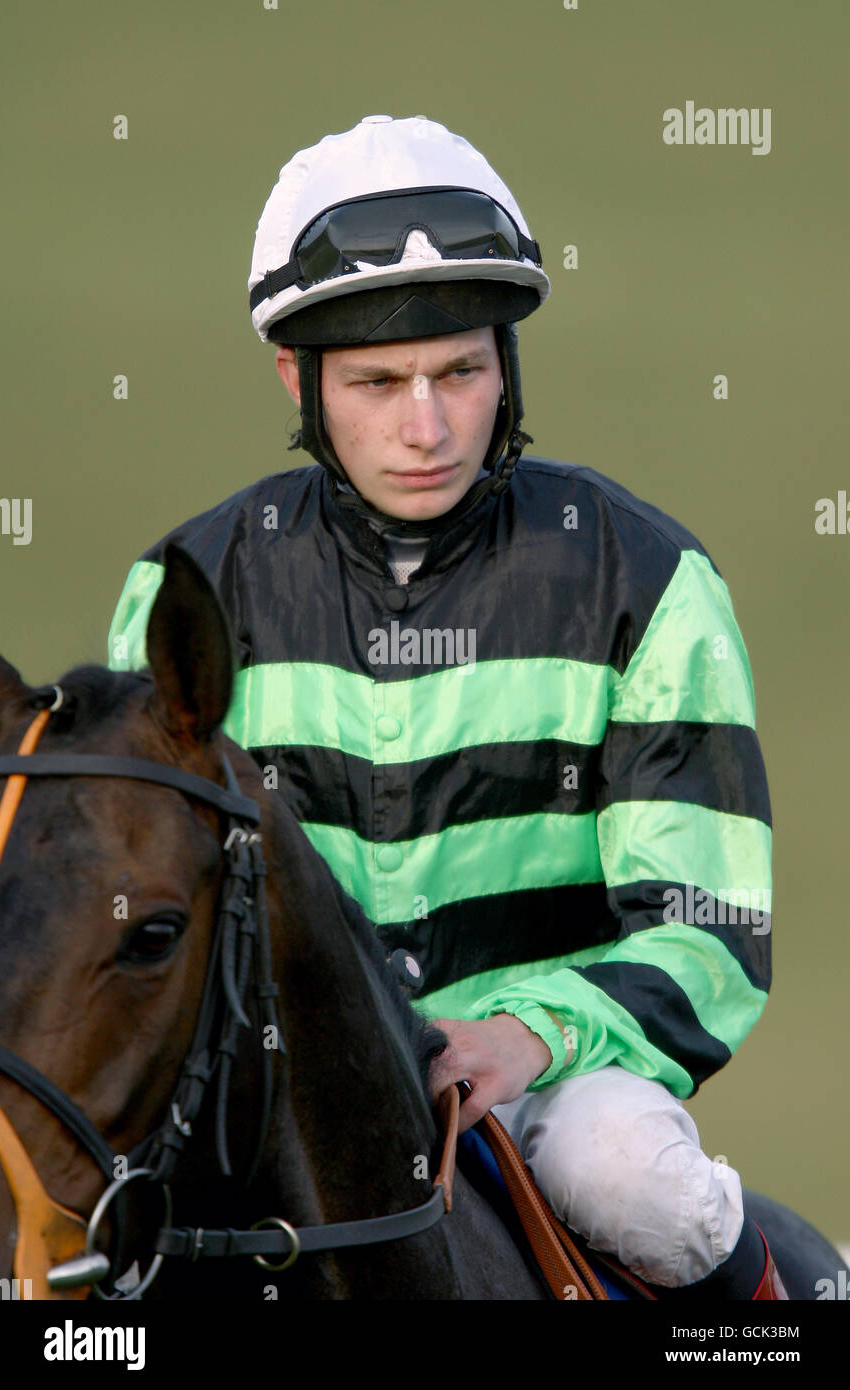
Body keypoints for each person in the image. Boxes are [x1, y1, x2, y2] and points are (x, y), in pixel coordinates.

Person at [107, 114, 784, 1299]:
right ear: (300, 381)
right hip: (275, 1094)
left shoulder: (646, 578)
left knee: (640, 1184)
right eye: (376, 383)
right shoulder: (189, 593)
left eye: (460, 371)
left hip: (554, 1086)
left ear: (504, 369)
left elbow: (705, 923)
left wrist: (526, 1037)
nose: (426, 428)